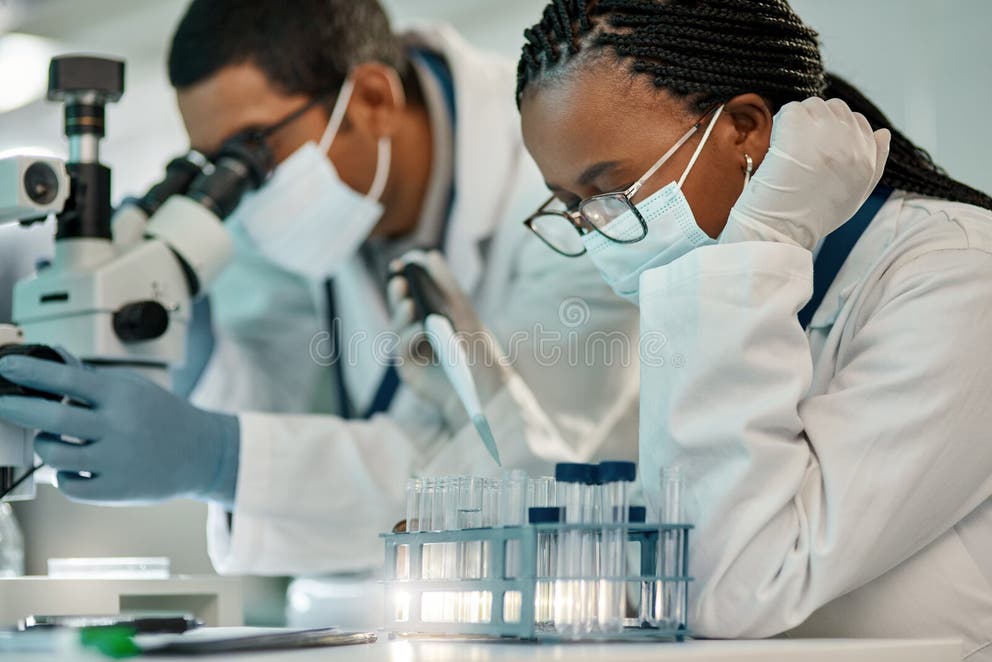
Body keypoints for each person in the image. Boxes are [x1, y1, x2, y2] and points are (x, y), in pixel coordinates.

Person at [0, 0, 640, 580]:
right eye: (211, 165)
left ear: (371, 101)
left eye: (252, 150)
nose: (241, 187)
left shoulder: (570, 185)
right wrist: (185, 349)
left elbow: (506, 468)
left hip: (583, 587)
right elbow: (266, 395)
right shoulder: (289, 215)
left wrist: (219, 457)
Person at [514, 0, 992, 657]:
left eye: (611, 191)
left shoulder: (958, 276)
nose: (598, 228)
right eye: (572, 205)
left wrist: (759, 248)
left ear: (744, 130)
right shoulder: (704, 287)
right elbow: (681, 549)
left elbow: (730, 587)